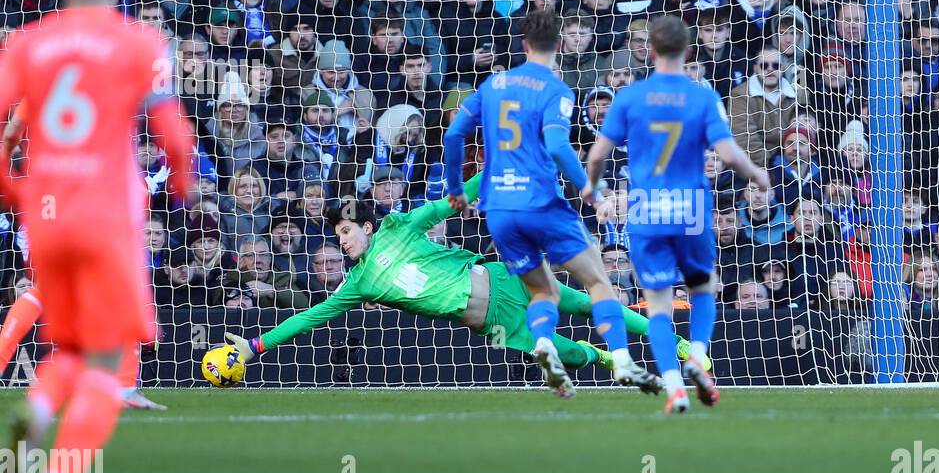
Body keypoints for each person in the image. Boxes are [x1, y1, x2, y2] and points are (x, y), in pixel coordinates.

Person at [0, 0, 196, 473]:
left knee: (73, 350)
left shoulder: (29, 43)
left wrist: (16, 193)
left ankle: (36, 408)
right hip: (108, 215)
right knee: (107, 361)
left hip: (48, 212)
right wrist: (185, 186)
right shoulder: (138, 41)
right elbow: (173, 133)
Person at [223, 178, 698, 386]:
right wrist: (253, 347)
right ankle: (602, 358)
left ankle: (674, 342)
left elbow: (449, 203)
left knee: (586, 304)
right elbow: (310, 316)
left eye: (345, 230)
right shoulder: (359, 284)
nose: (342, 241)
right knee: (564, 352)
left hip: (500, 277)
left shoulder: (399, 227)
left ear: (366, 227)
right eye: (337, 235)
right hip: (491, 323)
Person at [440, 8, 658, 397]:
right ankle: (623, 360)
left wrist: (456, 188)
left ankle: (542, 342)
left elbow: (454, 134)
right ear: (558, 45)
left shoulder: (492, 84)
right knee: (597, 281)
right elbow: (558, 145)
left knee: (544, 291)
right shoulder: (556, 89)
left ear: (524, 45)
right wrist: (590, 187)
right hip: (541, 202)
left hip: (500, 213)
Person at [584, 16, 770, 414]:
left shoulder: (630, 97)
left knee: (658, 304)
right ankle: (698, 355)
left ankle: (675, 388)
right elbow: (727, 153)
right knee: (703, 287)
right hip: (691, 211)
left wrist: (594, 190)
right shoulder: (701, 96)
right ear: (688, 52)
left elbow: (597, 155)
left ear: (650, 50)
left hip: (647, 213)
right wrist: (756, 173)